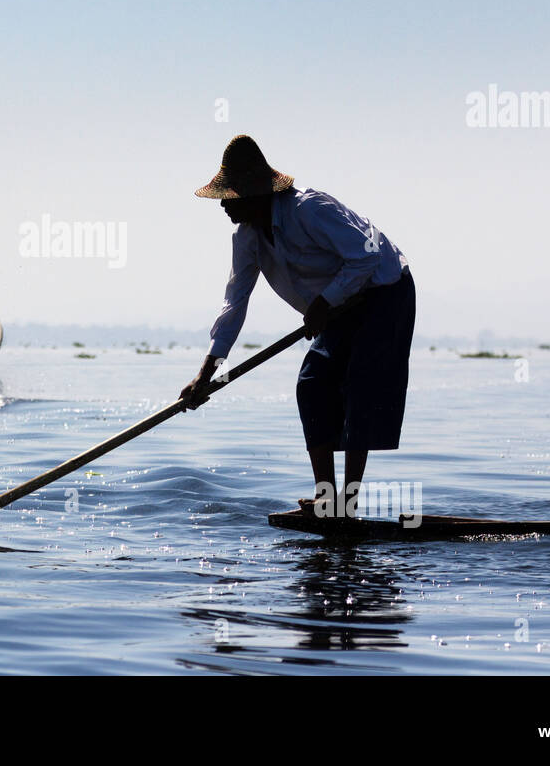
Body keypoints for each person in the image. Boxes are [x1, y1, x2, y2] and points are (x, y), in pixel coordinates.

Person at [178, 135, 415, 519]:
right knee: (313, 384)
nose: (222, 205)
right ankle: (327, 499)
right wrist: (205, 374)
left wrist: (322, 303)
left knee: (361, 384)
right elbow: (234, 303)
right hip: (336, 306)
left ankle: (347, 506)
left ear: (256, 194)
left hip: (384, 290)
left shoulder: (310, 209)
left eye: (229, 196)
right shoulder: (248, 238)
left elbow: (366, 256)